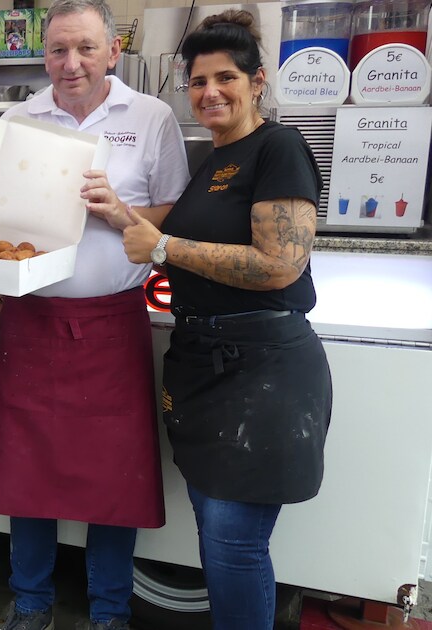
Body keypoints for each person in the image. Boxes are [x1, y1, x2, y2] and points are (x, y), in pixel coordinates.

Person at [0, 1, 190, 628]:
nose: (71, 64)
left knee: (115, 479)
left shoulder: (150, 117)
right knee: (27, 472)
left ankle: (109, 610)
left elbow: (173, 213)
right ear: (43, 55)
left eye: (85, 48)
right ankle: (30, 602)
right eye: (57, 50)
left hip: (113, 324)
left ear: (112, 51)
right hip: (32, 321)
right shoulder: (18, 119)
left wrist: (118, 211)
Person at [121, 11, 332, 628]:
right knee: (218, 536)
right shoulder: (214, 161)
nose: (209, 92)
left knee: (234, 543)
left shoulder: (278, 148)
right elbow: (172, 231)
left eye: (225, 78)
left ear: (257, 81)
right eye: (197, 81)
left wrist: (164, 249)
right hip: (203, 368)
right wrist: (107, 209)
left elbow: (280, 265)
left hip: (263, 371)